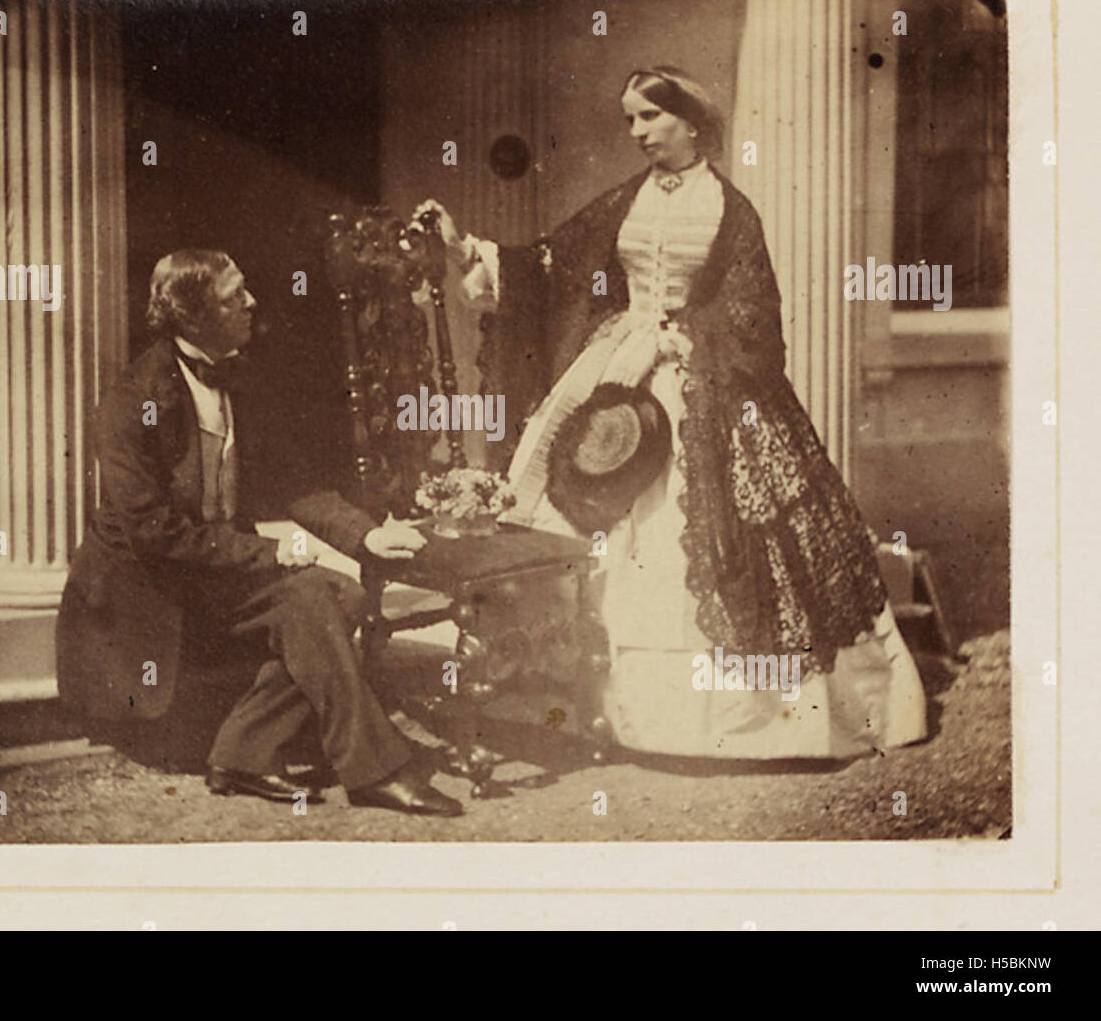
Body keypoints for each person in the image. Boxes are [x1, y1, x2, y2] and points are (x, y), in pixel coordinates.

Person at [414, 64, 927, 760]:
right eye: (630, 120)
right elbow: (548, 264)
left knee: (707, 532)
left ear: (691, 120)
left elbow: (754, 318)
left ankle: (742, 724)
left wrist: (697, 345)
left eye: (650, 117)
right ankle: (564, 694)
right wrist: (464, 246)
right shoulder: (625, 199)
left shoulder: (732, 209)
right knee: (576, 493)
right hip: (618, 365)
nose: (638, 132)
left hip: (702, 381)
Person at [56, 249, 463, 816]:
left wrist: (365, 537)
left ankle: (242, 751)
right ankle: (375, 768)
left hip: (211, 570)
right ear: (192, 315)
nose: (253, 304)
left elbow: (294, 481)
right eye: (234, 297)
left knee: (340, 593)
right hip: (145, 590)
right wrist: (274, 551)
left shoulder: (239, 379)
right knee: (312, 598)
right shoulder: (132, 403)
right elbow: (155, 534)